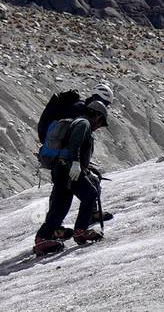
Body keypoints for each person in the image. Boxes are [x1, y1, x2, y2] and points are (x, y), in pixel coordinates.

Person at [34, 100, 110, 255]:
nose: (99, 126)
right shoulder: (84, 123)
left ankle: (42, 238)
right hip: (69, 169)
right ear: (95, 115)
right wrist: (76, 163)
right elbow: (75, 143)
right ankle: (81, 231)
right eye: (101, 121)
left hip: (60, 169)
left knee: (60, 206)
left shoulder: (79, 121)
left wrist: (84, 166)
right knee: (90, 194)